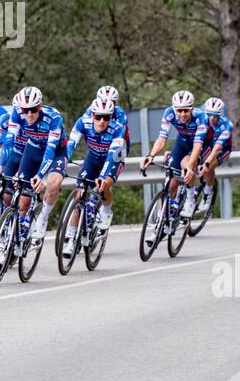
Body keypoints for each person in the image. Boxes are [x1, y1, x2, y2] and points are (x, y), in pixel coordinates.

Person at [0, 86, 66, 259]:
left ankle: (33, 223)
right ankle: (0, 232)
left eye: (33, 109)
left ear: (40, 106)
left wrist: (39, 175)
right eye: (24, 110)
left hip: (53, 152)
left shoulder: (53, 118)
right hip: (28, 151)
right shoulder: (12, 116)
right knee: (10, 193)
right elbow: (7, 143)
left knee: (35, 192)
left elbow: (50, 152)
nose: (29, 114)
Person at [62, 96, 126, 256]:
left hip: (113, 159)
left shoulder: (118, 129)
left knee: (104, 185)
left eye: (106, 117)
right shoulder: (83, 122)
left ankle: (106, 211)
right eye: (98, 116)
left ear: (112, 117)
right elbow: (71, 143)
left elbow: (112, 156)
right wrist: (64, 159)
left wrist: (103, 176)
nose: (102, 121)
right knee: (80, 191)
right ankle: (71, 237)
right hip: (93, 157)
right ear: (92, 115)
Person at [138, 90, 205, 223]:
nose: (182, 114)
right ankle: (163, 220)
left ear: (191, 108)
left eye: (186, 110)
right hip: (182, 141)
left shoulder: (200, 116)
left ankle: (190, 200)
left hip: (198, 144)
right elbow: (162, 139)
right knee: (172, 182)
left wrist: (191, 167)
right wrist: (151, 155)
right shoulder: (169, 113)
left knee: (186, 166)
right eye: (179, 111)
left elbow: (197, 145)